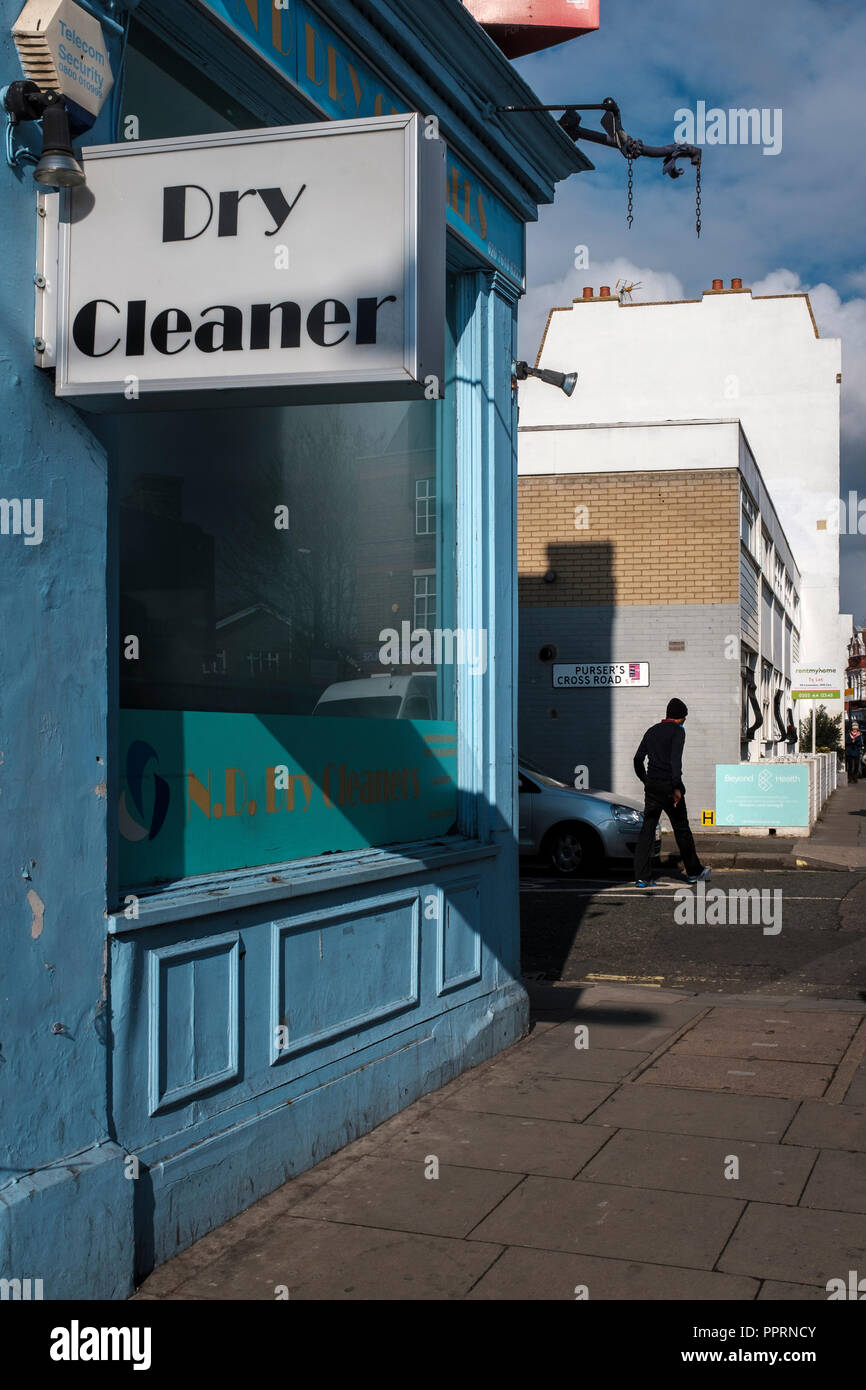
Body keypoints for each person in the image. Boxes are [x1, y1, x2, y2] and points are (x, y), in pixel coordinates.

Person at [632, 697, 712, 888]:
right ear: (679, 717)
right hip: (669, 788)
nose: (685, 721)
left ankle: (642, 877)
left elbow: (637, 759)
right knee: (681, 829)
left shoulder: (651, 731)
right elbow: (676, 761)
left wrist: (646, 780)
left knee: (647, 831)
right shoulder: (678, 731)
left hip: (652, 788)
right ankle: (694, 871)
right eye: (684, 718)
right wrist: (677, 787)